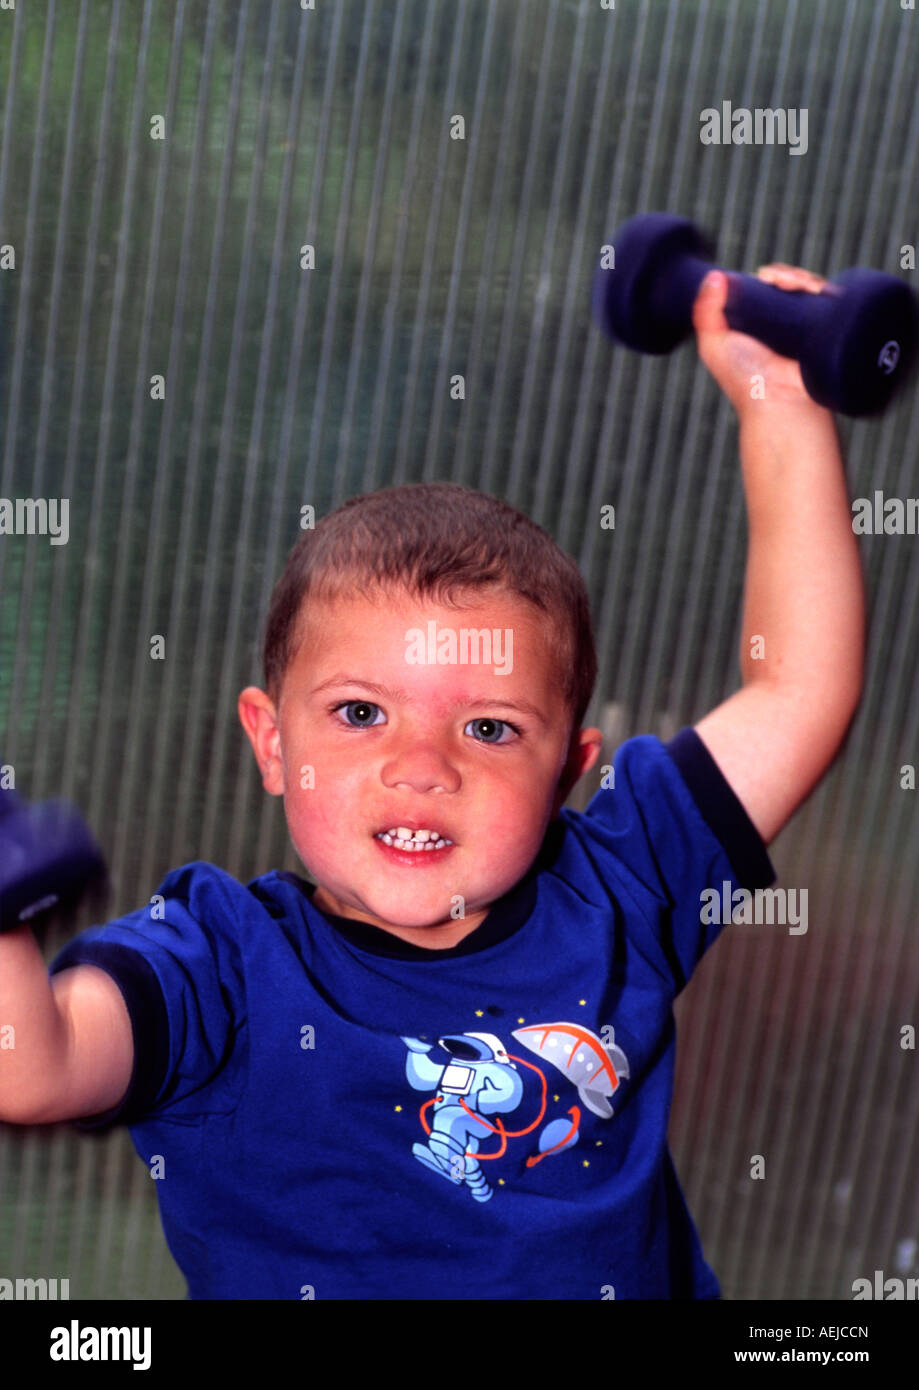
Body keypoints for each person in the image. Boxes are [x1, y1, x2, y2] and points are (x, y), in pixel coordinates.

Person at [0, 266, 864, 1298]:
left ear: (567, 772)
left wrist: (780, 399)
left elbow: (799, 692)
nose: (421, 766)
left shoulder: (619, 886)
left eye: (490, 727)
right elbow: (32, 1065)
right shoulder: (221, 966)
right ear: (271, 742)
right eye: (360, 713)